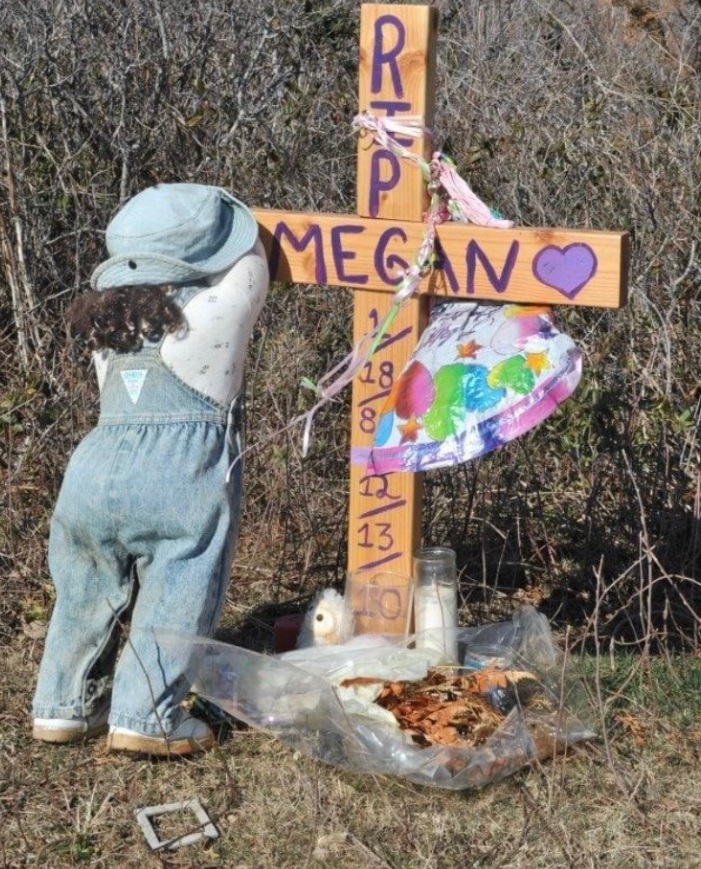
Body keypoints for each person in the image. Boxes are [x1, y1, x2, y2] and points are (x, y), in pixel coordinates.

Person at [31, 183, 269, 755]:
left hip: (92, 466)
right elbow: (253, 257)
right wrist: (224, 216)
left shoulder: (105, 327)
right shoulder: (214, 313)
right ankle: (147, 715)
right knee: (179, 583)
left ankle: (62, 705)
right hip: (179, 472)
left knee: (84, 590)